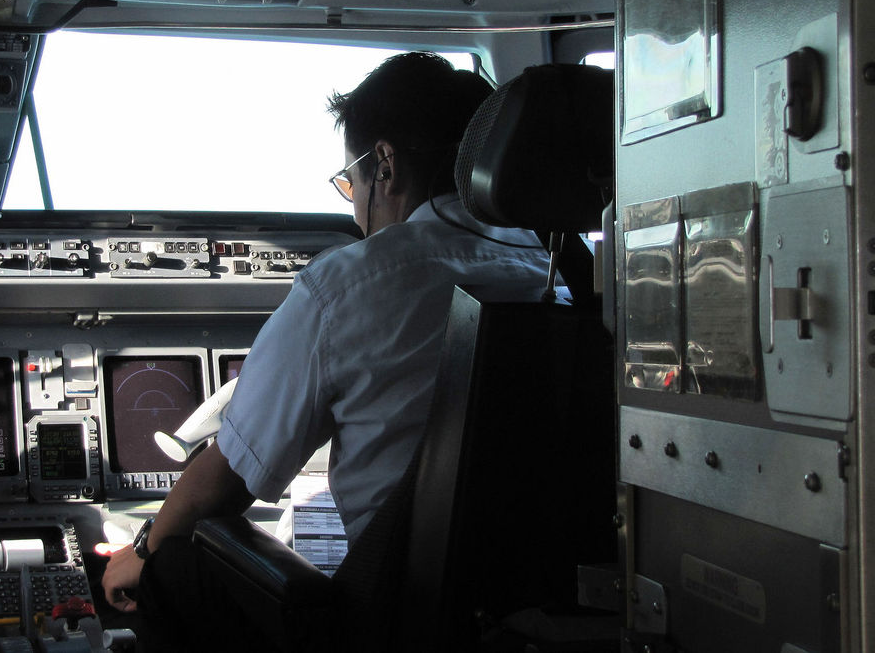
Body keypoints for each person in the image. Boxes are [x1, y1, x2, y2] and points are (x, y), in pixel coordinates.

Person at [101, 52, 555, 648]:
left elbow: (225, 483)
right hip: (537, 611)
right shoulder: (557, 276)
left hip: (400, 619)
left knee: (178, 567)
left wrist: (140, 553)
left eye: (350, 181)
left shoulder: (348, 284)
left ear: (384, 165)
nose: (355, 206)